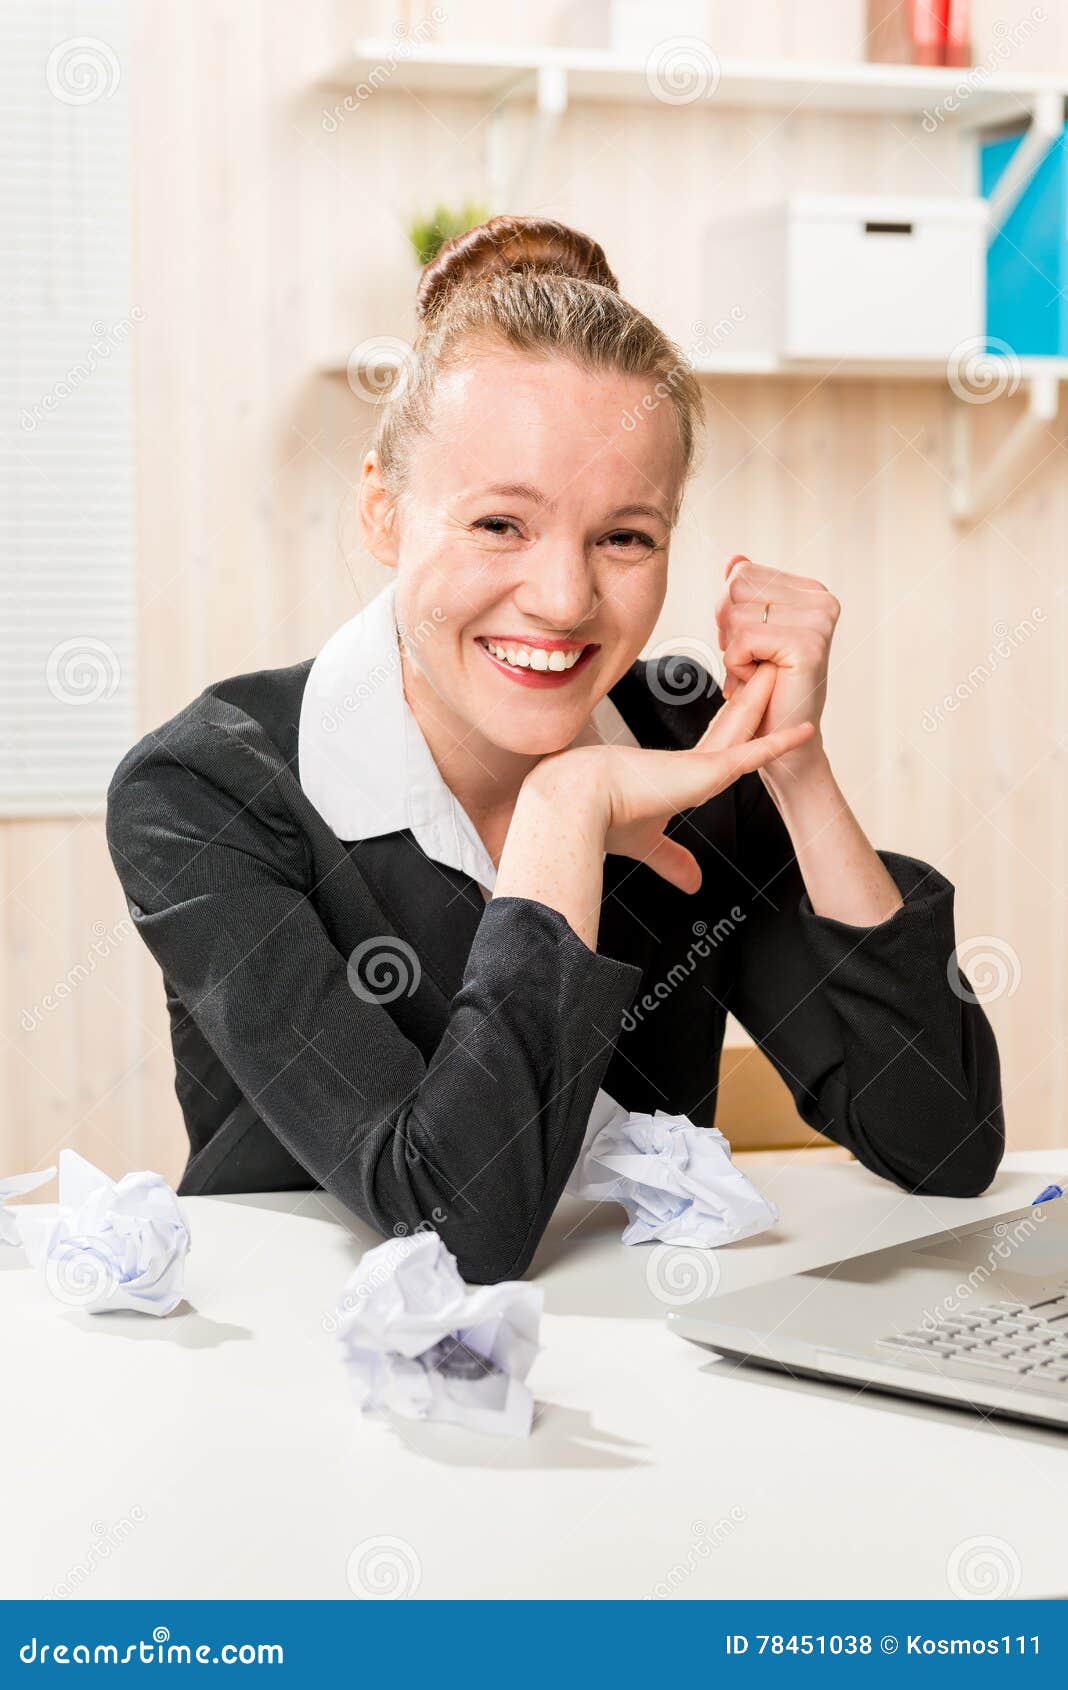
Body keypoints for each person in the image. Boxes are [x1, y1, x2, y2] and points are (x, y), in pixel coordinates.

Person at [106, 215, 1003, 1285]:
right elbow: (453, 1229)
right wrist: (565, 814)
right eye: (500, 524)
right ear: (383, 511)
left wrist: (792, 761)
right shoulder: (210, 791)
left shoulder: (680, 739)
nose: (566, 599)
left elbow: (944, 1142)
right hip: (310, 1372)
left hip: (639, 1370)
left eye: (625, 536)